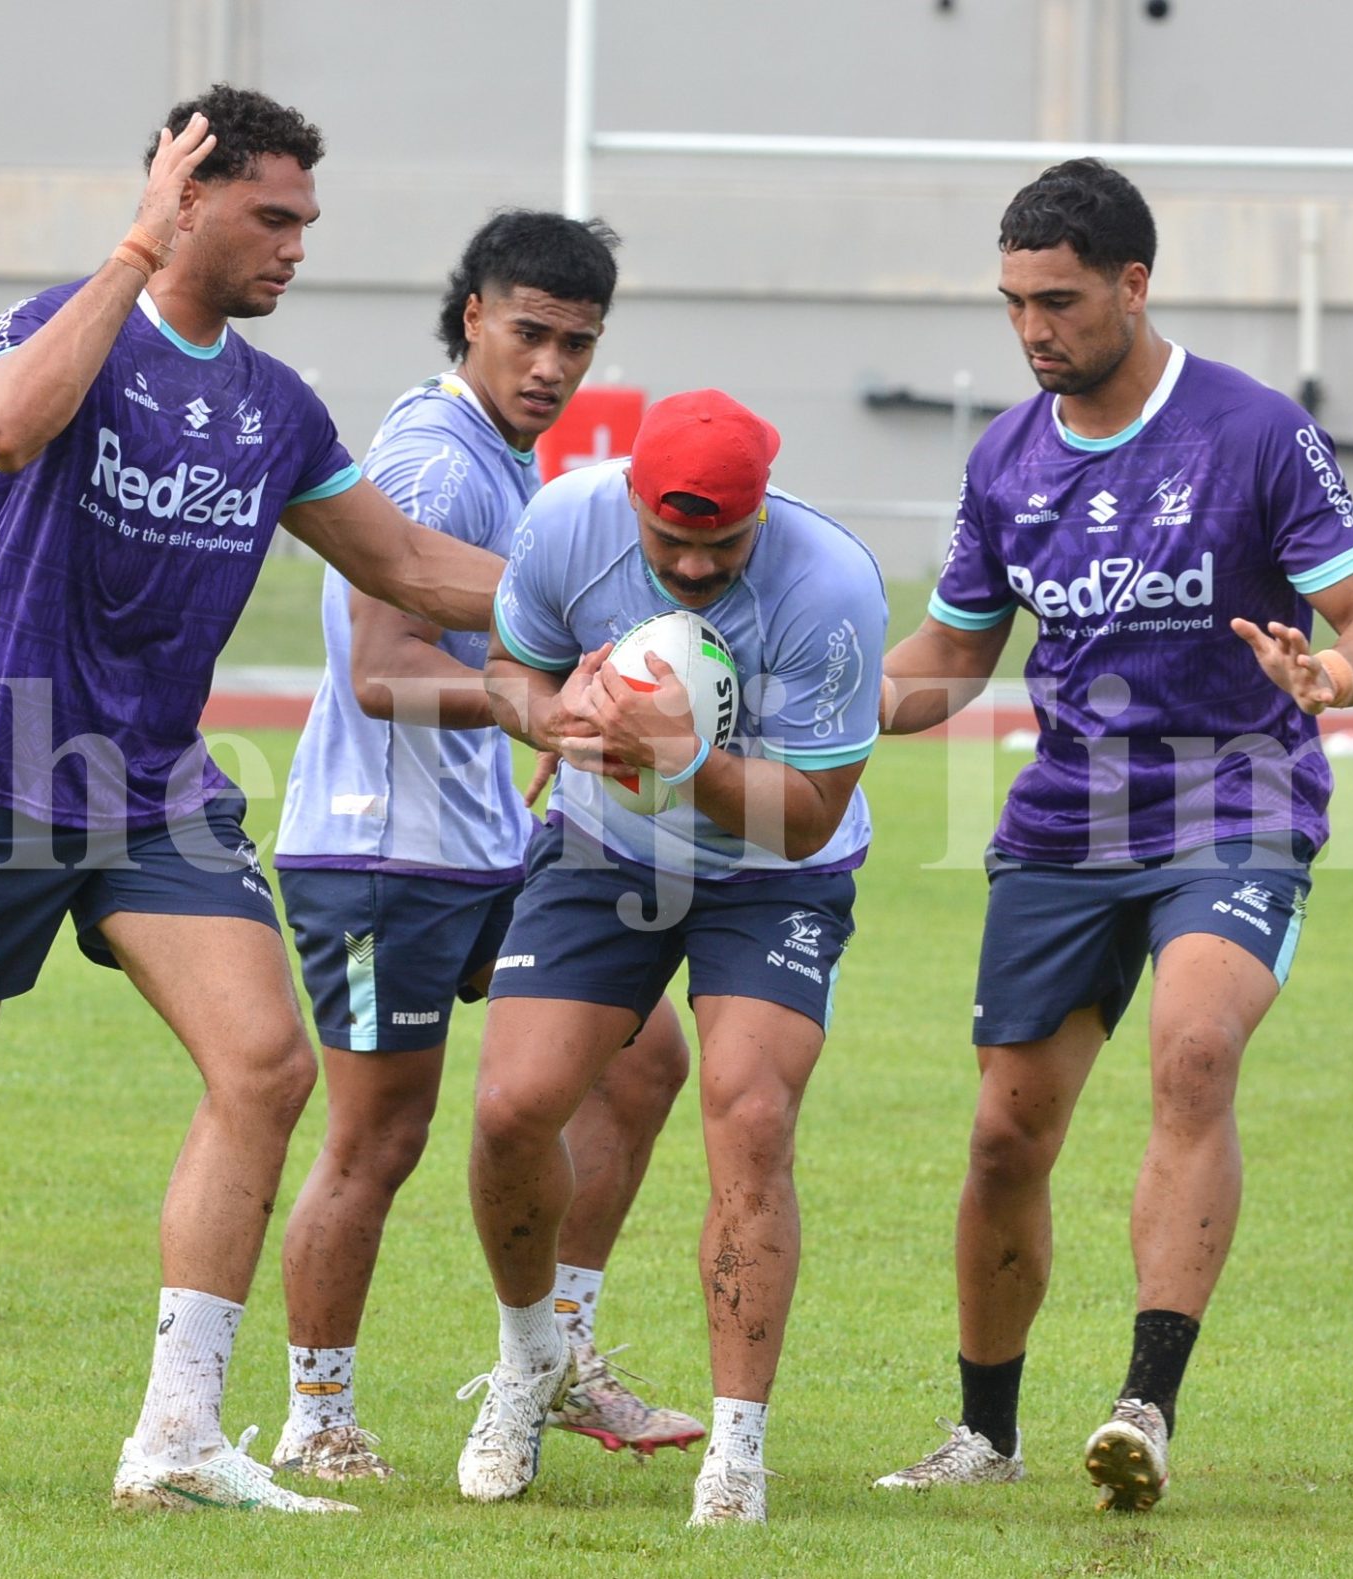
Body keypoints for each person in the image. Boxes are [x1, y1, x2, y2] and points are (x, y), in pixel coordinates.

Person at [0, 86, 503, 1516]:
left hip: (153, 786)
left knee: (266, 1066)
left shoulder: (276, 406)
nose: (296, 247)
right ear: (190, 203)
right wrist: (127, 254)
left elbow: (407, 563)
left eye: (306, 220)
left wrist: (591, 605)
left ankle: (175, 1437)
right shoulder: (66, 326)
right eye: (271, 216)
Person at [871, 159, 1353, 1512]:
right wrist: (796, 704)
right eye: (1012, 304)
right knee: (1008, 1136)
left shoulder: (1252, 430)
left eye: (1057, 300)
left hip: (1236, 803)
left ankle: (1142, 1406)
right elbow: (948, 656)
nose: (1033, 329)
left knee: (1195, 1049)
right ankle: (982, 1429)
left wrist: (1333, 678)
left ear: (1132, 282)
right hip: (1066, 820)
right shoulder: (1006, 457)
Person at [269, 211, 701, 1482]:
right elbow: (386, 674)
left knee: (639, 1061)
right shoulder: (434, 459)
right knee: (378, 1140)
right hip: (375, 852)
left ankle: (552, 1356)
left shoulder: (514, 465)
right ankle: (318, 1416)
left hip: (483, 847)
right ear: (474, 317)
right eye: (531, 333)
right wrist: (549, 704)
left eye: (578, 342)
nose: (554, 366)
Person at [459, 389, 888, 1527]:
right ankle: (528, 1364)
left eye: (722, 546)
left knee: (749, 1114)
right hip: (606, 848)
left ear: (762, 515)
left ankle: (736, 1455)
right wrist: (545, 718)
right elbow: (510, 664)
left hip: (773, 872)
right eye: (670, 542)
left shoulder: (830, 584)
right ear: (633, 501)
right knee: (511, 1108)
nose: (694, 568)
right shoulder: (564, 523)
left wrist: (683, 761)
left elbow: (805, 815)